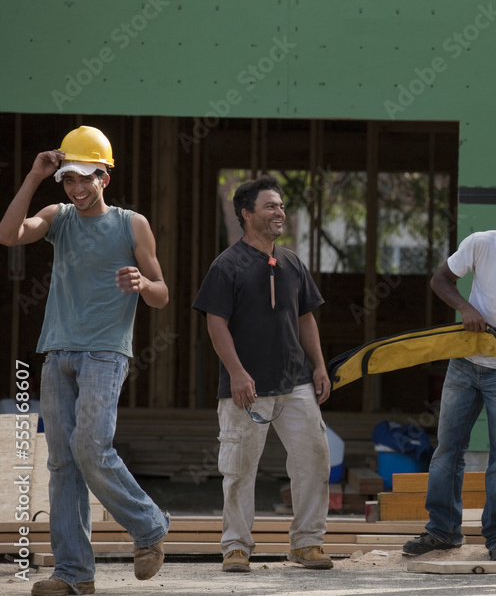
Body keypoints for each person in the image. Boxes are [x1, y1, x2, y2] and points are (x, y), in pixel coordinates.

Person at [0, 126, 170, 596]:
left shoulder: (131, 224)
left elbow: (162, 295)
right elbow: (9, 234)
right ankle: (74, 574)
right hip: (58, 352)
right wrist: (35, 177)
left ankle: (150, 526)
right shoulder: (58, 217)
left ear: (105, 178)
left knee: (91, 448)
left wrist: (142, 283)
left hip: (105, 353)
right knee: (62, 464)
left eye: (85, 179)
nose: (76, 188)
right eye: (69, 179)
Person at [192, 175, 333, 573]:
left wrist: (319, 365)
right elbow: (215, 323)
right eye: (271, 206)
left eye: (282, 206)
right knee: (239, 468)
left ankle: (307, 543)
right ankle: (236, 546)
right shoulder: (227, 265)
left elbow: (306, 318)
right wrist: (236, 373)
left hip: (296, 382)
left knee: (314, 460)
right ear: (246, 214)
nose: (280, 213)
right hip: (246, 388)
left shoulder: (291, 262)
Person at [402, 190, 496, 563]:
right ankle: (443, 531)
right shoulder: (481, 244)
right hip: (465, 361)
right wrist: (465, 307)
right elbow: (440, 279)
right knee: (448, 449)